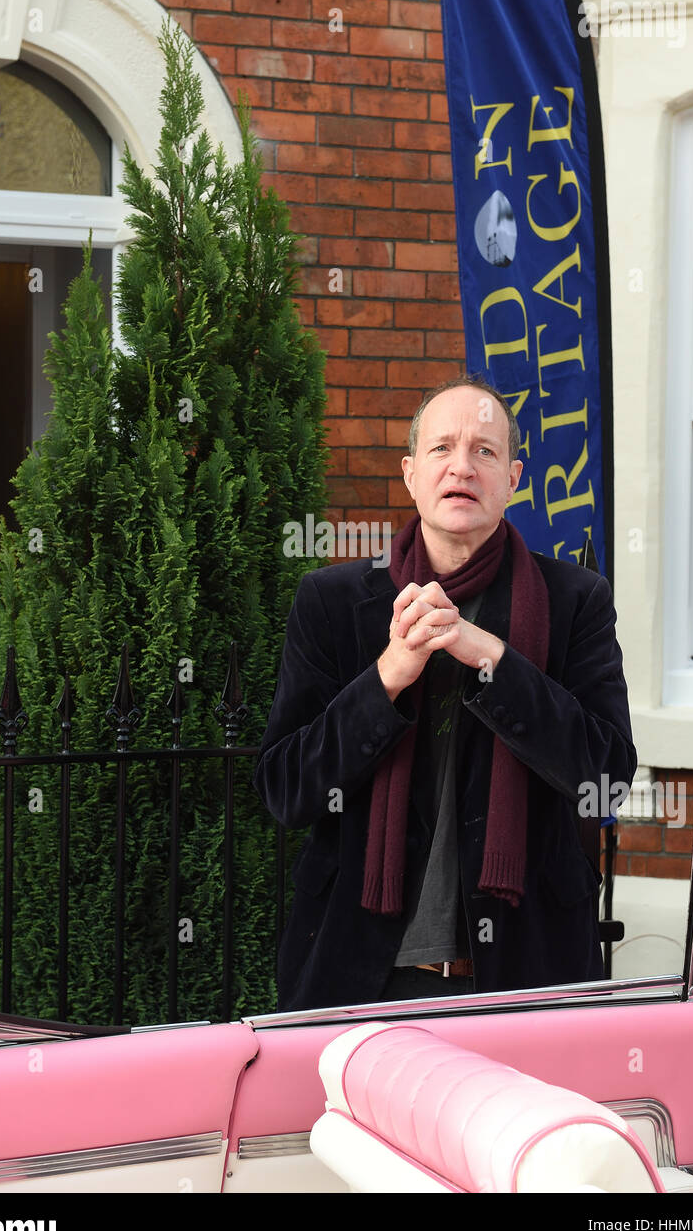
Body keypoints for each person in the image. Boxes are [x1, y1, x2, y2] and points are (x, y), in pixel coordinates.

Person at [254, 376, 636, 1012]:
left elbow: (608, 781)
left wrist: (491, 656)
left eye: (485, 451)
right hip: (365, 977)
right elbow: (287, 790)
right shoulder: (332, 601)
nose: (462, 466)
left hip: (524, 974)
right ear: (409, 473)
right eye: (442, 449)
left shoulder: (574, 603)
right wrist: (389, 675)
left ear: (514, 477)